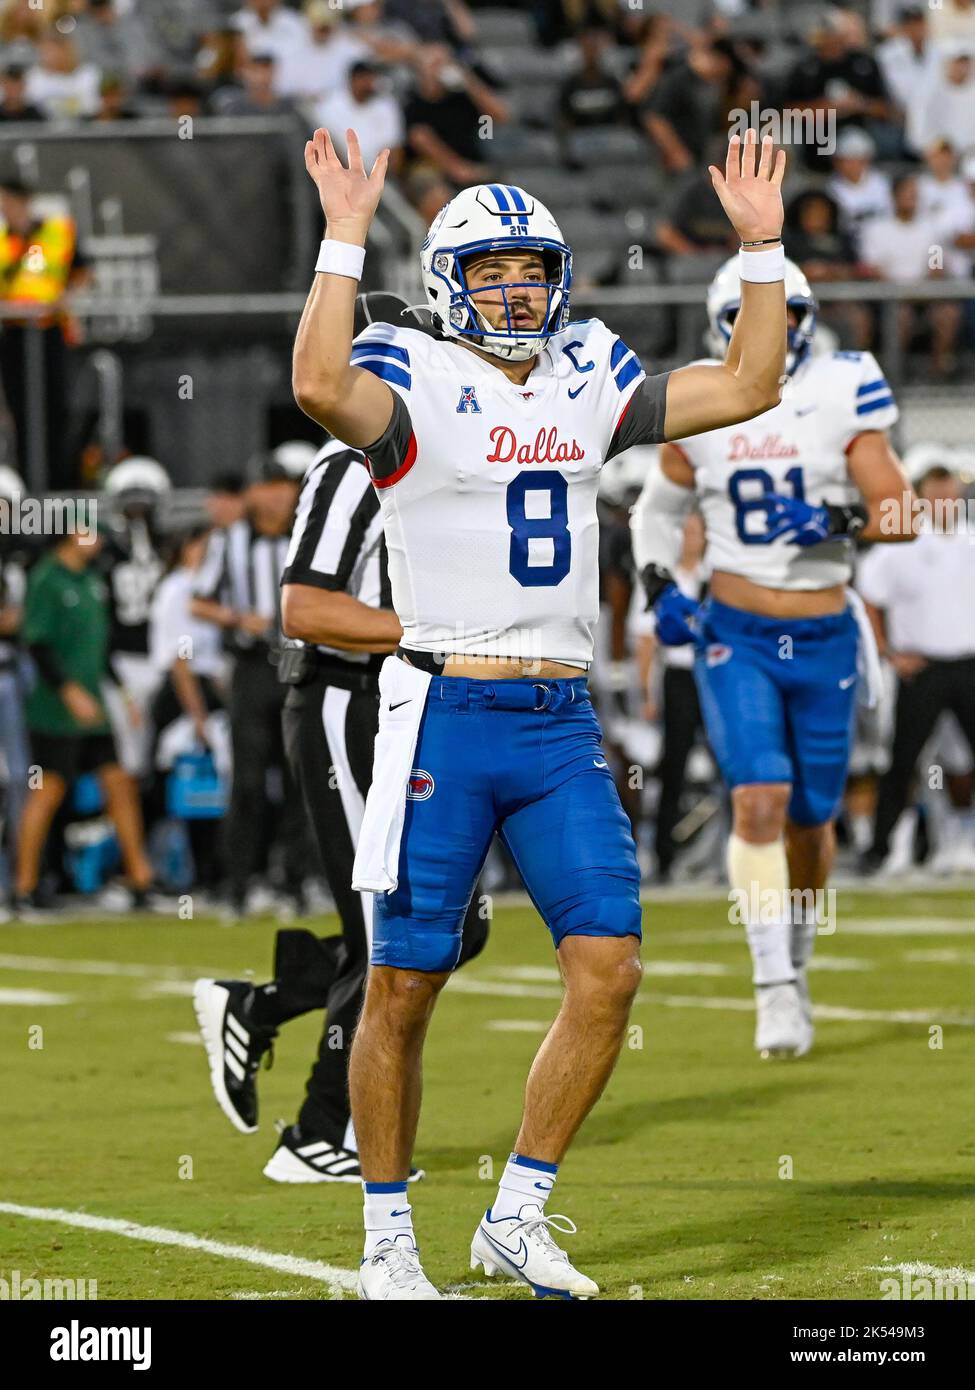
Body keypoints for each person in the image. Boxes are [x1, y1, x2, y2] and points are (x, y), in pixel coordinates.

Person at [293, 123, 788, 1299]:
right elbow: (318, 380)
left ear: (558, 282)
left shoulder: (589, 371)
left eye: (531, 273)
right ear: (447, 284)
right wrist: (345, 235)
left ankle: (518, 1213)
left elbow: (748, 381)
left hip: (560, 719)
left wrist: (761, 253)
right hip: (442, 710)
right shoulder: (409, 372)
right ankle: (386, 1238)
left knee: (608, 970)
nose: (515, 293)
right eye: (491, 274)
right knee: (403, 984)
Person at [194, 297, 489, 1183]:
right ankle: (322, 1133)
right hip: (341, 699)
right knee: (386, 929)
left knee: (455, 926)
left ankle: (264, 1001)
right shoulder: (351, 463)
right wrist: (430, 631)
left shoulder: (427, 455)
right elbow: (307, 608)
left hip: (401, 699)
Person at [630, 256, 915, 1062]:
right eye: (757, 316)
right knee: (757, 795)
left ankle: (796, 956)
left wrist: (834, 517)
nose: (775, 330)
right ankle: (771, 986)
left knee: (810, 818)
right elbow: (657, 510)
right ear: (722, 325)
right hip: (737, 633)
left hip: (824, 635)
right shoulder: (702, 394)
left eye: (787, 314)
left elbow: (900, 512)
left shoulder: (841, 384)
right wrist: (659, 587)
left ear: (804, 316)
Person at [13, 526, 159, 917]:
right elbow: (37, 643)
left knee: (119, 784)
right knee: (48, 790)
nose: (96, 540)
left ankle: (140, 879)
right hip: (56, 710)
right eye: (88, 531)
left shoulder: (94, 581)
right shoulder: (46, 577)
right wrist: (69, 692)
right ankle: (23, 888)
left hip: (95, 709)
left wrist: (122, 692)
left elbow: (102, 645)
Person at [190, 447, 308, 917]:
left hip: (300, 665)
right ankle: (238, 883)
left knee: (302, 779)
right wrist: (240, 618)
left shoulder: (310, 534)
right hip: (254, 668)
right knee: (248, 781)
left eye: (283, 487)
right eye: (267, 488)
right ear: (253, 494)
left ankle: (295, 881)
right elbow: (198, 602)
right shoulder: (229, 540)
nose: (275, 498)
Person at [858, 465, 975, 872]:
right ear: (922, 495)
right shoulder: (901, 541)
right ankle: (879, 850)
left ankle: (956, 840)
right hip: (921, 668)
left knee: (959, 764)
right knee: (903, 760)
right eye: (936, 492)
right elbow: (868, 596)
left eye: (950, 491)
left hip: (968, 665)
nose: (945, 499)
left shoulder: (971, 539)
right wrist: (889, 651)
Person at [0, 175, 89, 488]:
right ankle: (29, 486)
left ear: (23, 201)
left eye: (8, 202)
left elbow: (82, 272)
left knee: (56, 411)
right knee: (21, 413)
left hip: (50, 333)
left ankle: (61, 485)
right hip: (14, 335)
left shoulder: (56, 232)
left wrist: (63, 301)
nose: (4, 209)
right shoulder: (3, 239)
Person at [859, 172, 963, 379]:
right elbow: (873, 269)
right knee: (901, 316)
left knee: (948, 313)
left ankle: (939, 370)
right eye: (906, 193)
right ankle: (896, 373)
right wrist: (899, 292)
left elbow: (937, 265)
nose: (911, 198)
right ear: (894, 196)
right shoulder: (876, 228)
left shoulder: (930, 228)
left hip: (924, 295)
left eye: (915, 194)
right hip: (889, 297)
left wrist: (924, 287)